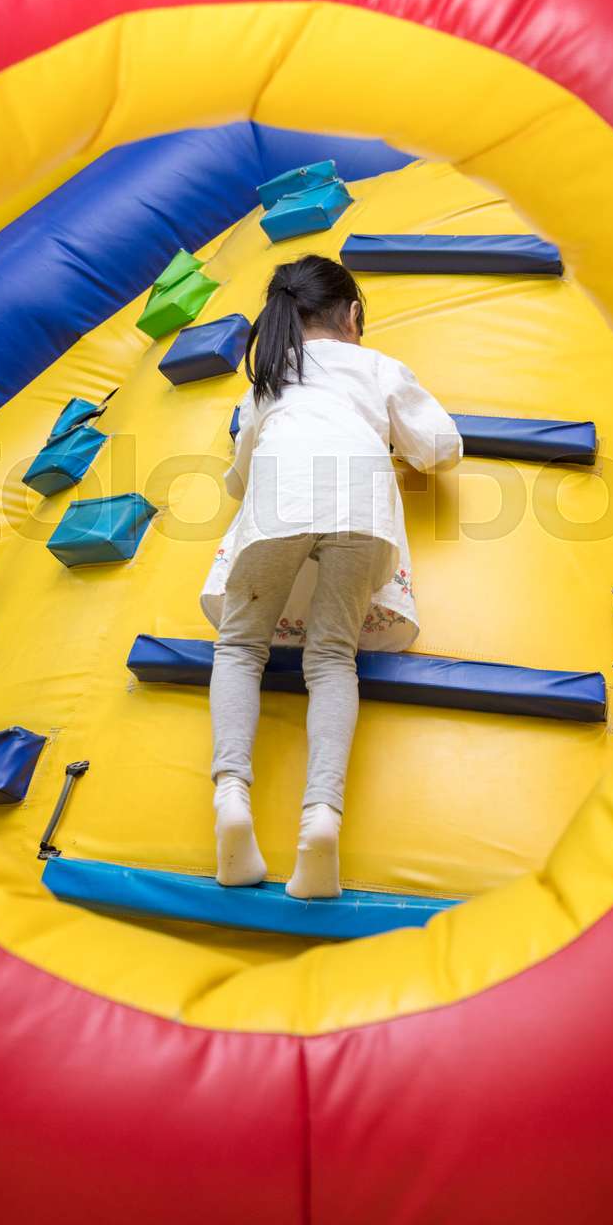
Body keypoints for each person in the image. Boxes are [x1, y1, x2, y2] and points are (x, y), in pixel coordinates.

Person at [201, 254, 462, 898]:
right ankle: (321, 821)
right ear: (352, 316)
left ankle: (232, 798)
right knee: (331, 659)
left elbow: (238, 480)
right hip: (361, 508)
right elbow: (441, 446)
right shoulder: (377, 367)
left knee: (238, 647)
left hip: (278, 502)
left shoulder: (268, 381)